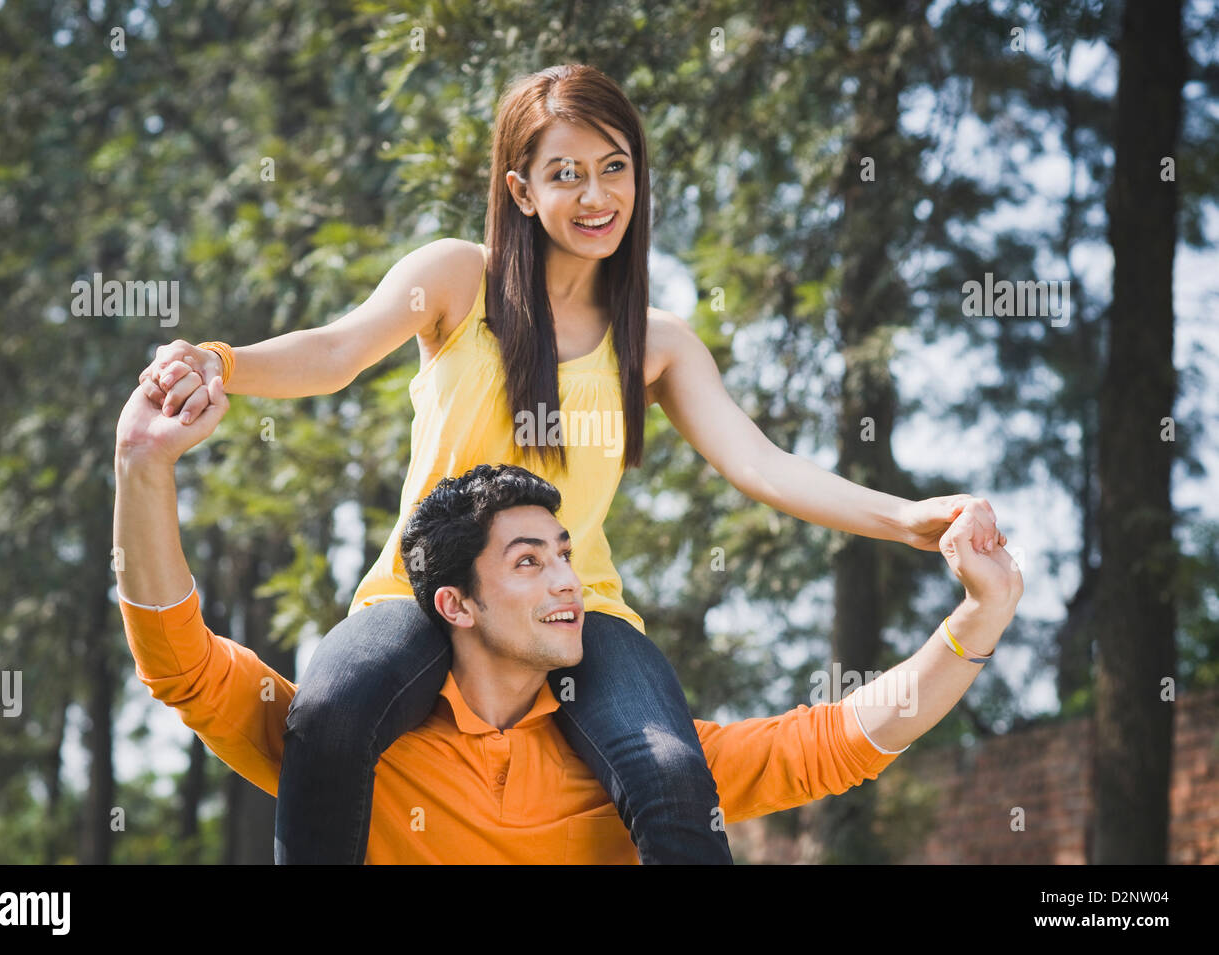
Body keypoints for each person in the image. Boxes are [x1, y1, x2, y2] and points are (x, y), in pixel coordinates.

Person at [134, 63, 1006, 864]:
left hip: (573, 609)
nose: (597, 195)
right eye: (566, 173)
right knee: (326, 716)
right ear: (519, 188)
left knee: (670, 769)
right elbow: (335, 351)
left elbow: (764, 466)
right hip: (417, 595)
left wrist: (910, 518)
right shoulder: (454, 281)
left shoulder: (655, 344)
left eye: (615, 167)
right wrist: (223, 361)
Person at [114, 379, 1023, 864]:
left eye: (564, 553)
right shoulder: (354, 747)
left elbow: (836, 741)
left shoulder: (630, 751)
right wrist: (144, 466)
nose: (568, 579)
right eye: (529, 560)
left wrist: (984, 614)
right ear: (454, 605)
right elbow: (181, 664)